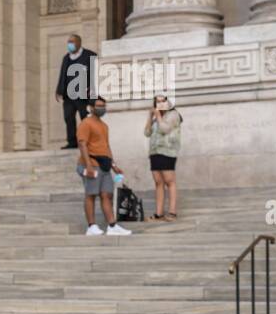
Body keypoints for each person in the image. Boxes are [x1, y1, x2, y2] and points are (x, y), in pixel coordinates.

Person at [77, 99, 131, 236]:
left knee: (106, 194)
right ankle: (91, 226)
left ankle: (112, 226)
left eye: (104, 106)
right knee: (91, 195)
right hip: (91, 165)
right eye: (99, 106)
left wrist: (114, 166)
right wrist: (88, 165)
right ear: (91, 107)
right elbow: (82, 144)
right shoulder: (86, 123)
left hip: (105, 166)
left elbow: (106, 147)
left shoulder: (104, 126)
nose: (102, 108)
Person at [143, 94, 182, 221]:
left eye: (163, 101)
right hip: (154, 152)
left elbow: (165, 129)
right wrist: (150, 116)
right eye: (157, 102)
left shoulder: (173, 115)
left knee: (169, 182)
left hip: (167, 152)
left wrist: (158, 116)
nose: (160, 104)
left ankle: (172, 212)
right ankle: (159, 214)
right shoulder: (156, 118)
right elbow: (147, 133)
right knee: (158, 183)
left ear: (167, 101)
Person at [56, 34, 97, 149]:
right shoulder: (66, 58)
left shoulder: (90, 55)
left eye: (72, 42)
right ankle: (72, 142)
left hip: (84, 94)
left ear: (79, 43)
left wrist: (92, 92)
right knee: (68, 117)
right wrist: (59, 90)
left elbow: (95, 75)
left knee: (85, 118)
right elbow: (63, 75)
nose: (70, 45)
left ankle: (89, 141)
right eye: (69, 42)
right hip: (69, 95)